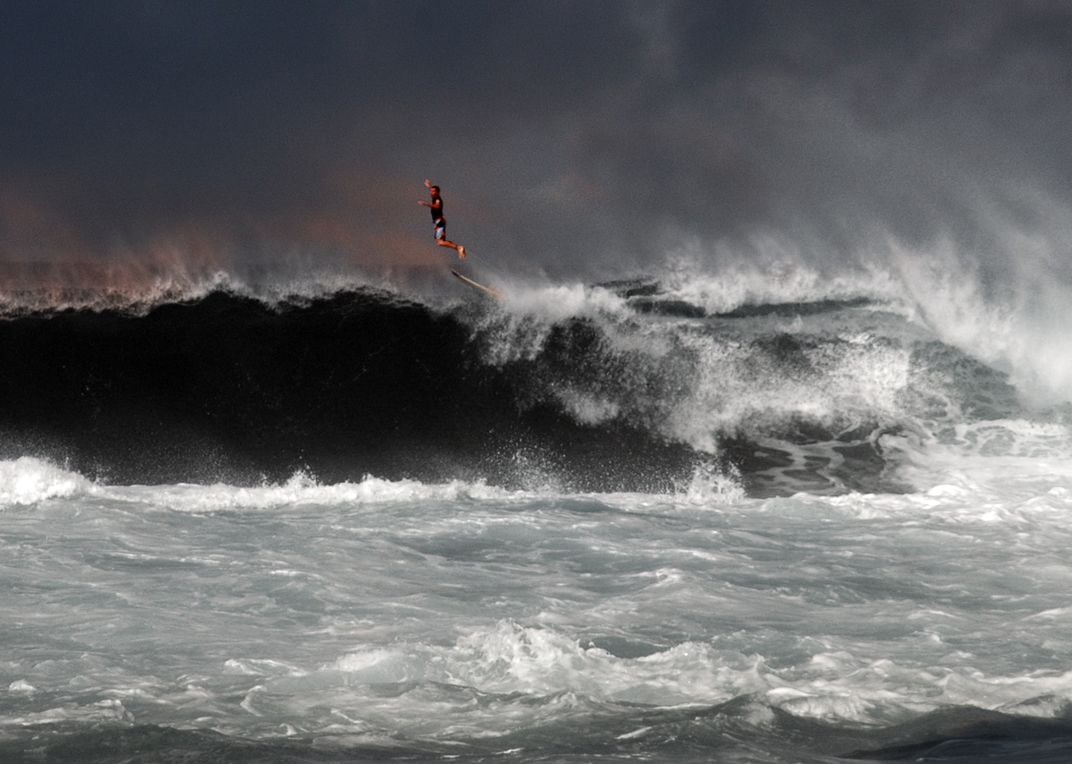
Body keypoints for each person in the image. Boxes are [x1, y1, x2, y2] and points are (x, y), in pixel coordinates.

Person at [418, 179, 466, 259]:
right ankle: (459, 248)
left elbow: (437, 206)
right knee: (442, 241)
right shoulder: (435, 197)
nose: (431, 192)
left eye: (433, 191)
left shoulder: (437, 199)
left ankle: (459, 248)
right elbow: (433, 191)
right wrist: (429, 186)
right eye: (431, 191)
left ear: (438, 192)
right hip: (438, 222)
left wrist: (426, 204)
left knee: (440, 243)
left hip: (439, 222)